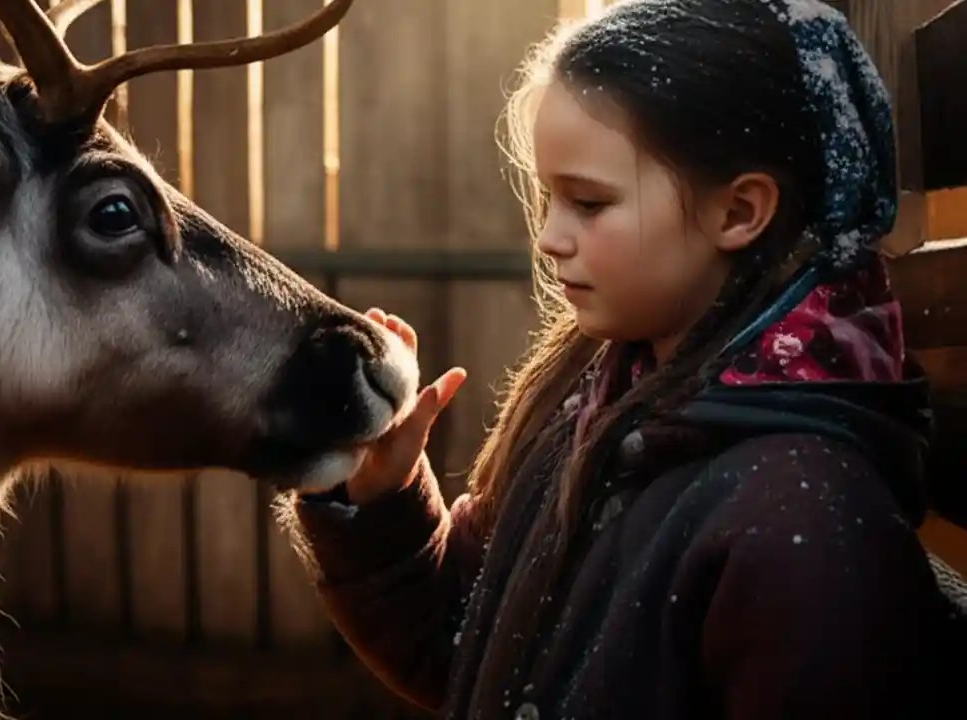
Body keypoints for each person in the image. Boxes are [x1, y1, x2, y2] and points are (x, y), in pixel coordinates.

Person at [282, 1, 966, 718]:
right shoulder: (593, 393)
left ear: (738, 214)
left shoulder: (804, 528)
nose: (549, 238)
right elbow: (477, 653)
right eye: (550, 198)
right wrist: (385, 504)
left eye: (588, 202)